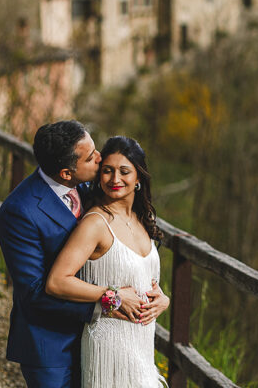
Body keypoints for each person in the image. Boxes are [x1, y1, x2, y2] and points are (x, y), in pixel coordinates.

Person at [0, 121, 168, 388]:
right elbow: (34, 292)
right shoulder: (19, 212)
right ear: (66, 173)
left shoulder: (90, 188)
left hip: (107, 339)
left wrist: (157, 295)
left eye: (95, 149)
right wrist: (109, 302)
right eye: (91, 157)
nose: (100, 159)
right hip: (52, 345)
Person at [47, 135, 170, 388]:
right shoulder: (95, 223)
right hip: (108, 343)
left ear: (138, 178)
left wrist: (163, 299)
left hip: (141, 345)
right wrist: (113, 295)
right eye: (107, 171)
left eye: (125, 171)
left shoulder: (140, 220)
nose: (115, 179)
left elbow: (141, 278)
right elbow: (57, 282)